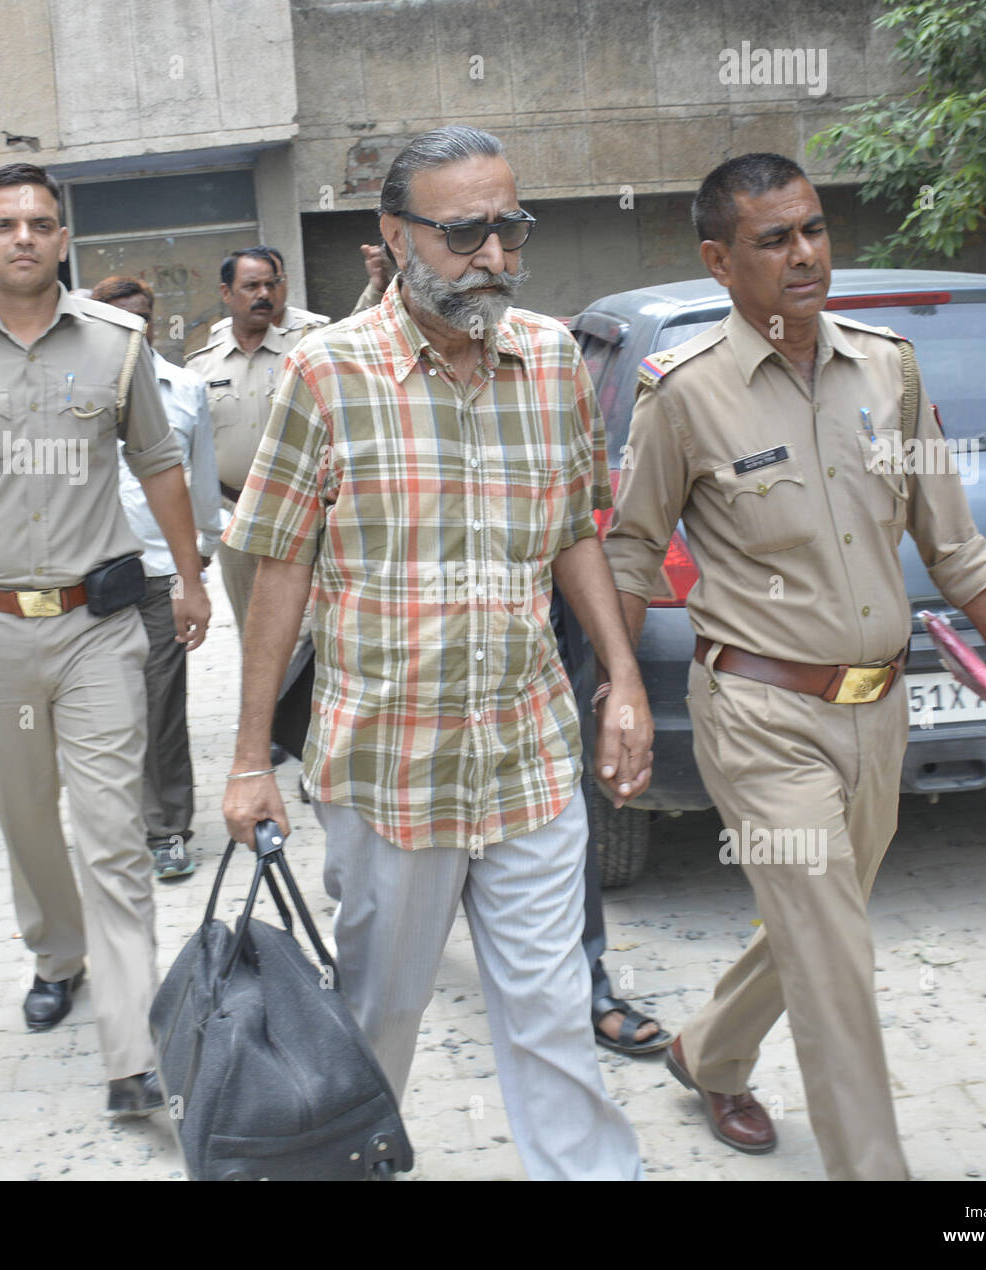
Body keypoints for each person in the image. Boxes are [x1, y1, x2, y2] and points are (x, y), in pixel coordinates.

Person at [601, 152, 986, 1179]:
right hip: (759, 712)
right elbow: (631, 545)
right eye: (775, 239)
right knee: (838, 958)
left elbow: (952, 541)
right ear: (719, 260)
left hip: (878, 709)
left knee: (820, 926)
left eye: (812, 228)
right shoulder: (683, 396)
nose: (806, 254)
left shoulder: (889, 369)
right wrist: (622, 686)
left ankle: (708, 1050)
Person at [221, 124, 652, 1180]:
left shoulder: (550, 359)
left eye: (510, 227)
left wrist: (624, 682)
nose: (495, 256)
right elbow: (277, 565)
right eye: (465, 234)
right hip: (387, 769)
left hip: (529, 754)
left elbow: (576, 530)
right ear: (394, 233)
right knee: (380, 1014)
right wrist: (245, 758)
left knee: (553, 1010)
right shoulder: (326, 373)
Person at [0, 162, 211, 1116]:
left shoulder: (117, 346)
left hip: (99, 629)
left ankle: (133, 1053)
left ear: (64, 241)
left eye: (41, 222)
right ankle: (58, 956)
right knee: (27, 823)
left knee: (112, 834)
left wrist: (188, 580)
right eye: (4, 222)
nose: (24, 236)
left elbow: (160, 465)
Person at [90, 275, 222, 881]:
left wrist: (194, 568)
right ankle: (115, 828)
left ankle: (167, 828)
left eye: (139, 320)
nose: (131, 331)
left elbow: (199, 482)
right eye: (116, 321)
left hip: (159, 577)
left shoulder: (185, 389)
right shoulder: (76, 390)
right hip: (89, 579)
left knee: (161, 704)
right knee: (104, 711)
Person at [186, 246, 332, 644]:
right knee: (254, 631)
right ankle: (263, 708)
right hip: (235, 514)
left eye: (272, 284)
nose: (264, 294)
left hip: (301, 512)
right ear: (226, 293)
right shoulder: (200, 367)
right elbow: (189, 452)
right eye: (251, 286)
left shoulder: (306, 351)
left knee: (312, 632)